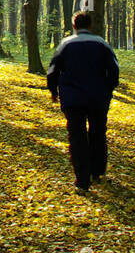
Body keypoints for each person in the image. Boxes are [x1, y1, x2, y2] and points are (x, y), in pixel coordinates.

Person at [46, 11, 119, 193]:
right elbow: (114, 69)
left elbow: (53, 70)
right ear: (91, 25)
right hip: (97, 98)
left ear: (74, 26)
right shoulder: (102, 44)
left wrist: (53, 90)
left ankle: (82, 180)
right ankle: (98, 173)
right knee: (98, 134)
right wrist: (108, 89)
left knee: (77, 137)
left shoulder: (66, 44)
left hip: (73, 99)